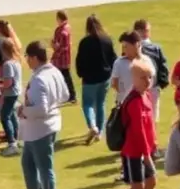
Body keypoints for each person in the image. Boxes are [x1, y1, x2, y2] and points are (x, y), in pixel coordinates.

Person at [17, 40, 70, 189]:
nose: (26, 61)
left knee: (43, 168)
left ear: (33, 58)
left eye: (27, 57)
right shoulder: (53, 71)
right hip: (45, 126)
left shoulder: (39, 79)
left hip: (40, 130)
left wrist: (23, 110)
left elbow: (40, 109)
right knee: (28, 164)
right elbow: (66, 95)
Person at [103, 60, 158, 189]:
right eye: (143, 77)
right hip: (133, 152)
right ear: (134, 79)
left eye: (150, 77)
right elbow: (138, 131)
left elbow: (149, 125)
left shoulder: (146, 96)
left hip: (145, 150)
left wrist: (153, 144)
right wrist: (147, 155)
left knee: (151, 181)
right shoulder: (134, 102)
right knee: (137, 187)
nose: (147, 81)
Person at [75, 14, 118, 144]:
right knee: (101, 103)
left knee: (87, 104)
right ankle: (99, 131)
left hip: (89, 78)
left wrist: (81, 73)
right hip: (104, 76)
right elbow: (113, 58)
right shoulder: (107, 40)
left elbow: (79, 60)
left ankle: (92, 126)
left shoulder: (85, 42)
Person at [135, 18, 170, 157]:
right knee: (152, 116)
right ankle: (151, 145)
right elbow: (163, 67)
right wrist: (161, 83)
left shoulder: (134, 49)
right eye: (145, 30)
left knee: (142, 117)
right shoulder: (155, 48)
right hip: (153, 87)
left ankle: (146, 144)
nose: (146, 33)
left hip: (140, 88)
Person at [111, 31, 156, 105]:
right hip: (124, 103)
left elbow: (152, 80)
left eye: (126, 47)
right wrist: (124, 93)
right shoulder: (119, 62)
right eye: (123, 47)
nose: (123, 50)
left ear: (136, 45)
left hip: (142, 102)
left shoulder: (146, 61)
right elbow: (114, 83)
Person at [0, 38, 23, 157]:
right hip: (16, 92)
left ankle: (12, 143)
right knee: (12, 115)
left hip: (10, 93)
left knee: (4, 117)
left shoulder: (7, 64)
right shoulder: (16, 62)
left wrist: (1, 88)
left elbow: (8, 83)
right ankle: (16, 140)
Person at [51, 10, 76, 103]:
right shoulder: (65, 28)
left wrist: (55, 55)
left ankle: (71, 95)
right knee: (65, 77)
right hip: (64, 58)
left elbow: (63, 47)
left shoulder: (62, 31)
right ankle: (69, 95)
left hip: (61, 59)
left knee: (64, 77)